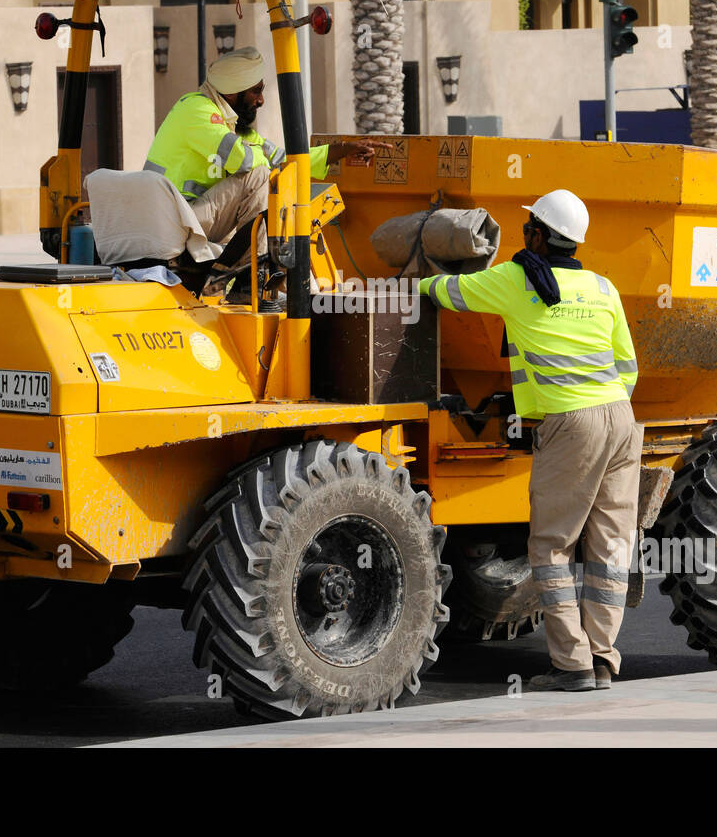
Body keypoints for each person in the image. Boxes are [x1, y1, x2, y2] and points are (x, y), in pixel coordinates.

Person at [418, 190, 642, 692]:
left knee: (550, 547)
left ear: (537, 235)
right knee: (609, 547)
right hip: (622, 419)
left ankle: (572, 665)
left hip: (570, 423)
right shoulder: (603, 288)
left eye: (528, 230)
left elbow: (450, 293)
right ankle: (603, 659)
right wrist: (605, 407)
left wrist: (418, 278)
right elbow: (627, 367)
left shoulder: (516, 280)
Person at [146, 45, 382, 282]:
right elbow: (245, 160)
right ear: (232, 92)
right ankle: (251, 278)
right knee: (258, 176)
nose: (260, 100)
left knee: (265, 175)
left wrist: (342, 151)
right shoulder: (196, 109)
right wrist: (260, 155)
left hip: (193, 220)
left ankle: (256, 275)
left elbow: (282, 159)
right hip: (173, 222)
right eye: (255, 91)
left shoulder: (231, 126)